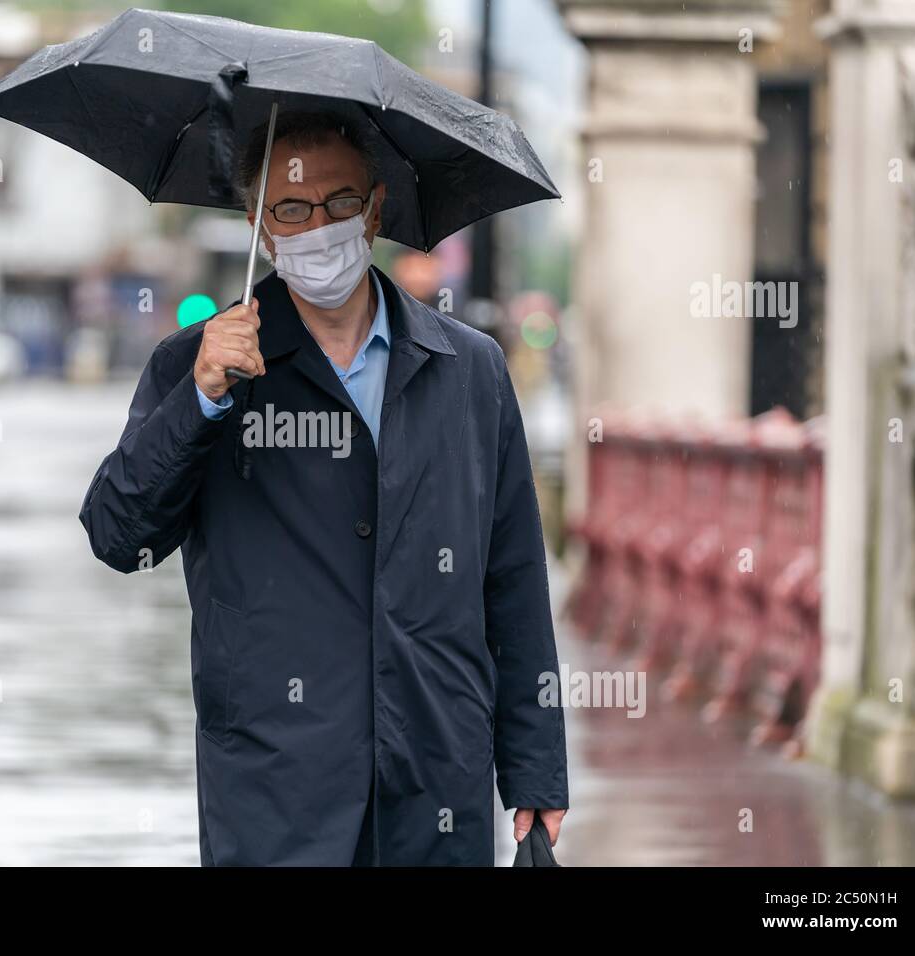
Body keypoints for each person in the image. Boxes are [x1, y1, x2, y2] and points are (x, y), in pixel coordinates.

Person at [81, 110, 568, 866]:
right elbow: (119, 536)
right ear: (259, 226)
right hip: (276, 784)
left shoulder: (468, 369)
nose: (319, 225)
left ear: (375, 208)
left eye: (340, 203)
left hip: (437, 774)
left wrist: (536, 764)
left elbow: (514, 579)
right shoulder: (198, 367)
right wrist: (202, 399)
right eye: (292, 208)